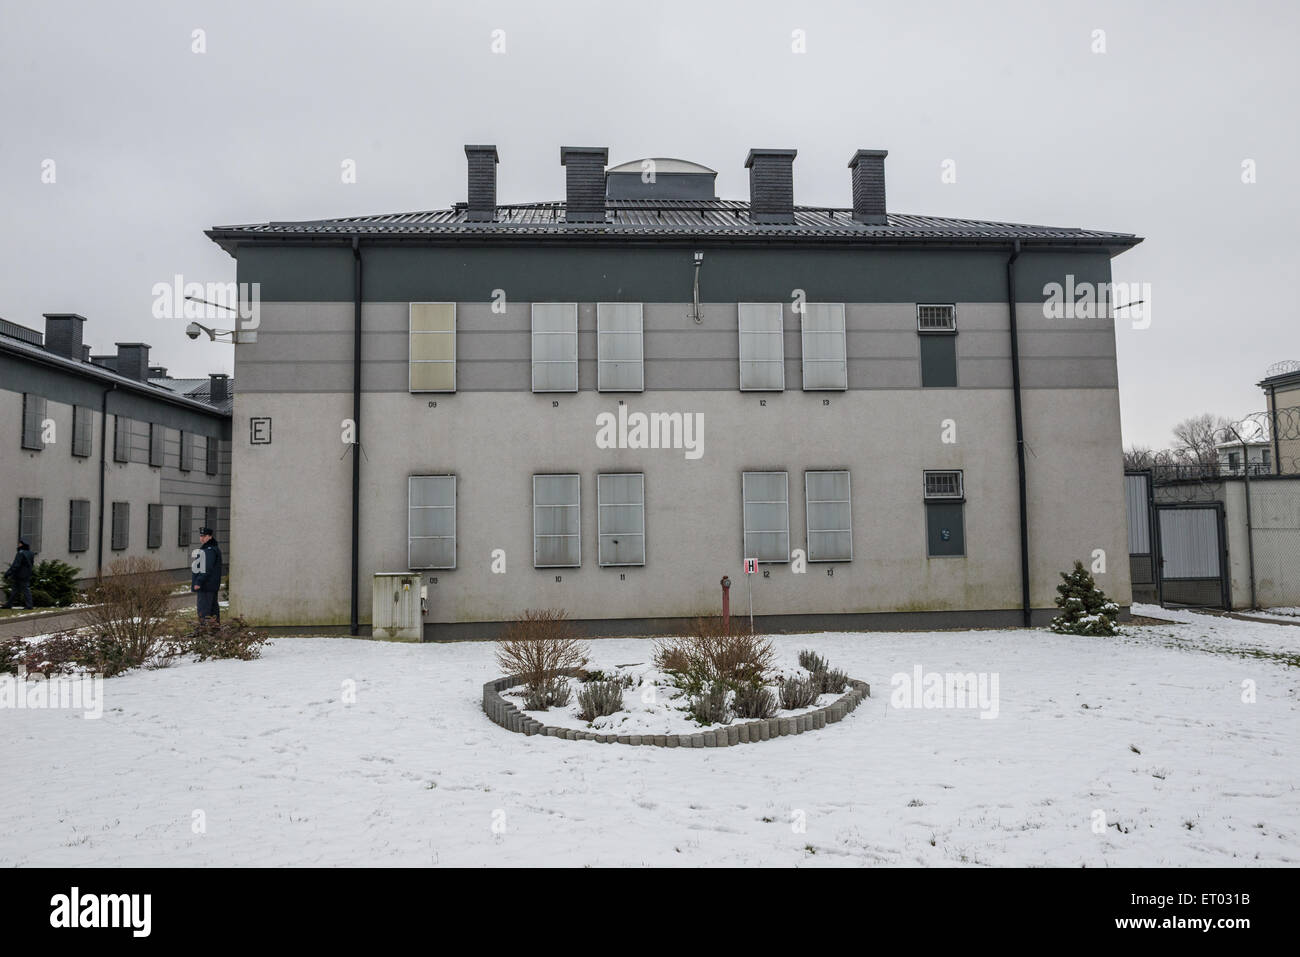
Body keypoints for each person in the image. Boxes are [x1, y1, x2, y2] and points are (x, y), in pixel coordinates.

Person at [192, 526, 223, 623]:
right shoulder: (212, 548)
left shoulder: (209, 550)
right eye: (201, 536)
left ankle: (205, 632)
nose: (202, 538)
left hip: (206, 585)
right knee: (213, 610)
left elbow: (206, 568)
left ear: (210, 537)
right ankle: (214, 632)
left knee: (204, 611)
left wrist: (198, 582)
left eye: (204, 536)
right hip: (211, 585)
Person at [3, 539, 35, 609]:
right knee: (15, 590)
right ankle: (8, 604)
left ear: (22, 545)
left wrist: (8, 573)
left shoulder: (20, 553)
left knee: (24, 590)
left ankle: (29, 606)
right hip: (26, 574)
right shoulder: (31, 553)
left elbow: (16, 565)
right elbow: (31, 564)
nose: (18, 545)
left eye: (20, 543)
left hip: (19, 575)